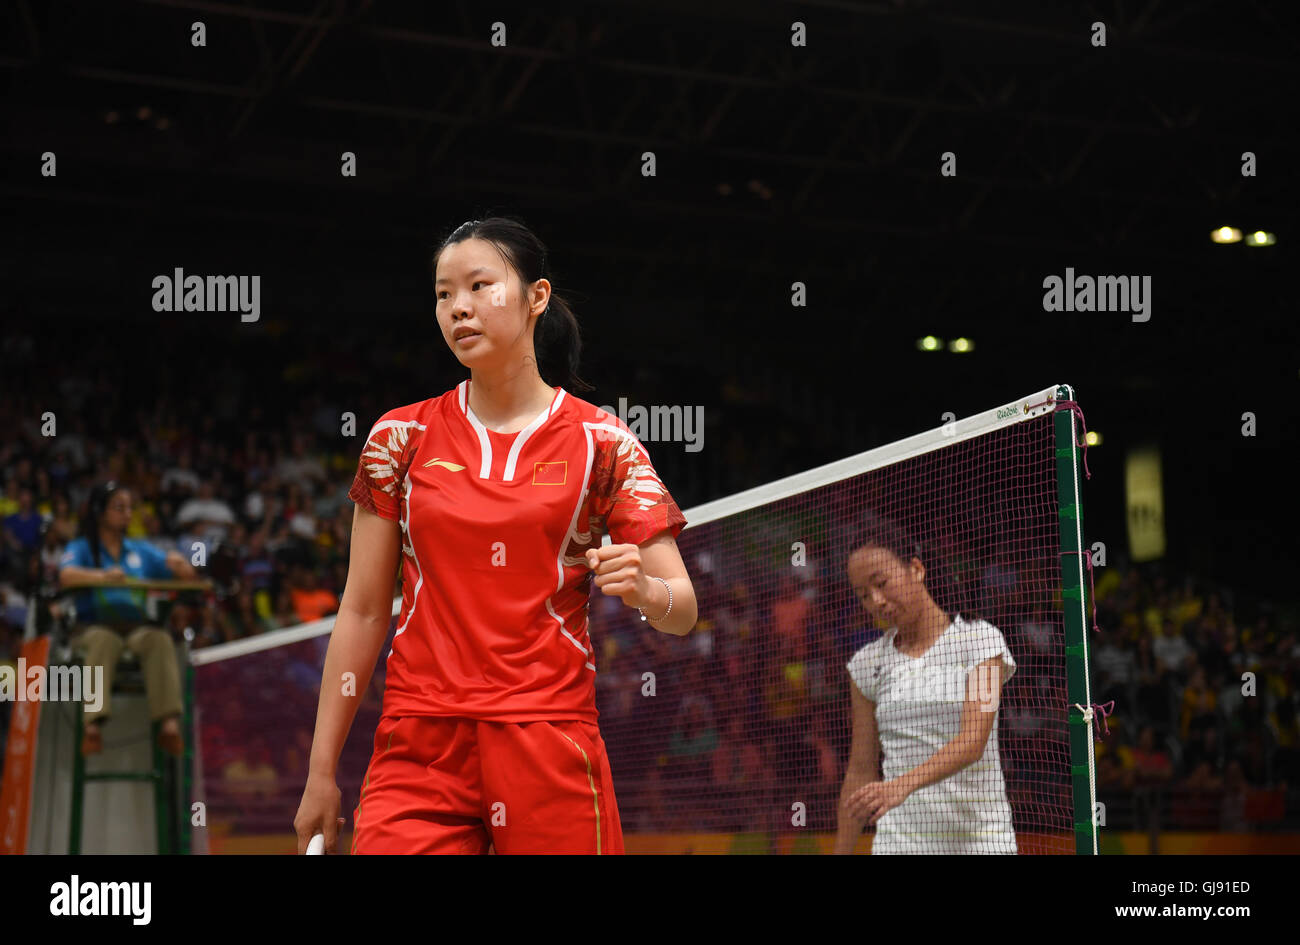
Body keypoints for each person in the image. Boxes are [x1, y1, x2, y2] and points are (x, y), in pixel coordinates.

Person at [293, 216, 696, 854]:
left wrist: (646, 590)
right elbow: (365, 609)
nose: (458, 308)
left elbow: (683, 610)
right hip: (419, 740)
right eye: (443, 294)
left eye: (480, 286)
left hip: (548, 736)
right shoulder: (398, 439)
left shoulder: (604, 445)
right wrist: (320, 773)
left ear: (536, 297)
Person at [834, 511, 1017, 854]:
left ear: (916, 570)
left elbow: (973, 741)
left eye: (881, 583)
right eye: (862, 594)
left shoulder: (980, 641)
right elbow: (860, 770)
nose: (876, 601)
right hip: (900, 843)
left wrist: (899, 787)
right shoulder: (866, 664)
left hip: (979, 842)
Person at [57, 480, 197, 756]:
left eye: (130, 508)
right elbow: (66, 575)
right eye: (119, 507)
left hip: (136, 628)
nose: (127, 514)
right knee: (103, 642)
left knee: (159, 639)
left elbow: (185, 575)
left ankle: (169, 724)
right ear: (99, 511)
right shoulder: (83, 547)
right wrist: (102, 576)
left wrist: (181, 565)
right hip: (93, 627)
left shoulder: (140, 550)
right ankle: (93, 726)